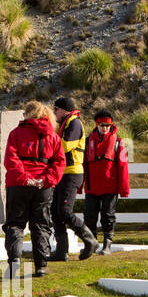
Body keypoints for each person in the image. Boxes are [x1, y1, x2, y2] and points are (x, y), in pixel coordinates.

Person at [3, 101, 65, 277]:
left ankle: (14, 259)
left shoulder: (16, 133)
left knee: (15, 223)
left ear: (29, 115)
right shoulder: (54, 137)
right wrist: (45, 180)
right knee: (41, 224)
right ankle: (41, 265)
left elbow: (10, 160)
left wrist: (25, 178)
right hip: (43, 187)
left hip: (18, 185)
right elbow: (59, 162)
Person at [49, 97, 98, 261]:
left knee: (64, 211)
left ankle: (90, 240)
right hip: (62, 173)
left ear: (64, 110)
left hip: (72, 173)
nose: (54, 112)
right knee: (55, 213)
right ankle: (61, 252)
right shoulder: (65, 124)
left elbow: (65, 146)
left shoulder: (74, 123)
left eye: (56, 109)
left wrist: (49, 144)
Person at [82, 111, 130, 254]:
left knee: (108, 216)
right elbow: (83, 164)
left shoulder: (118, 142)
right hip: (92, 186)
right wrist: (79, 185)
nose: (105, 128)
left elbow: (123, 165)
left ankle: (107, 245)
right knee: (89, 216)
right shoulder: (87, 141)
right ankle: (91, 244)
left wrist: (124, 189)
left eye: (107, 126)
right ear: (97, 125)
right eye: (102, 125)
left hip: (110, 187)